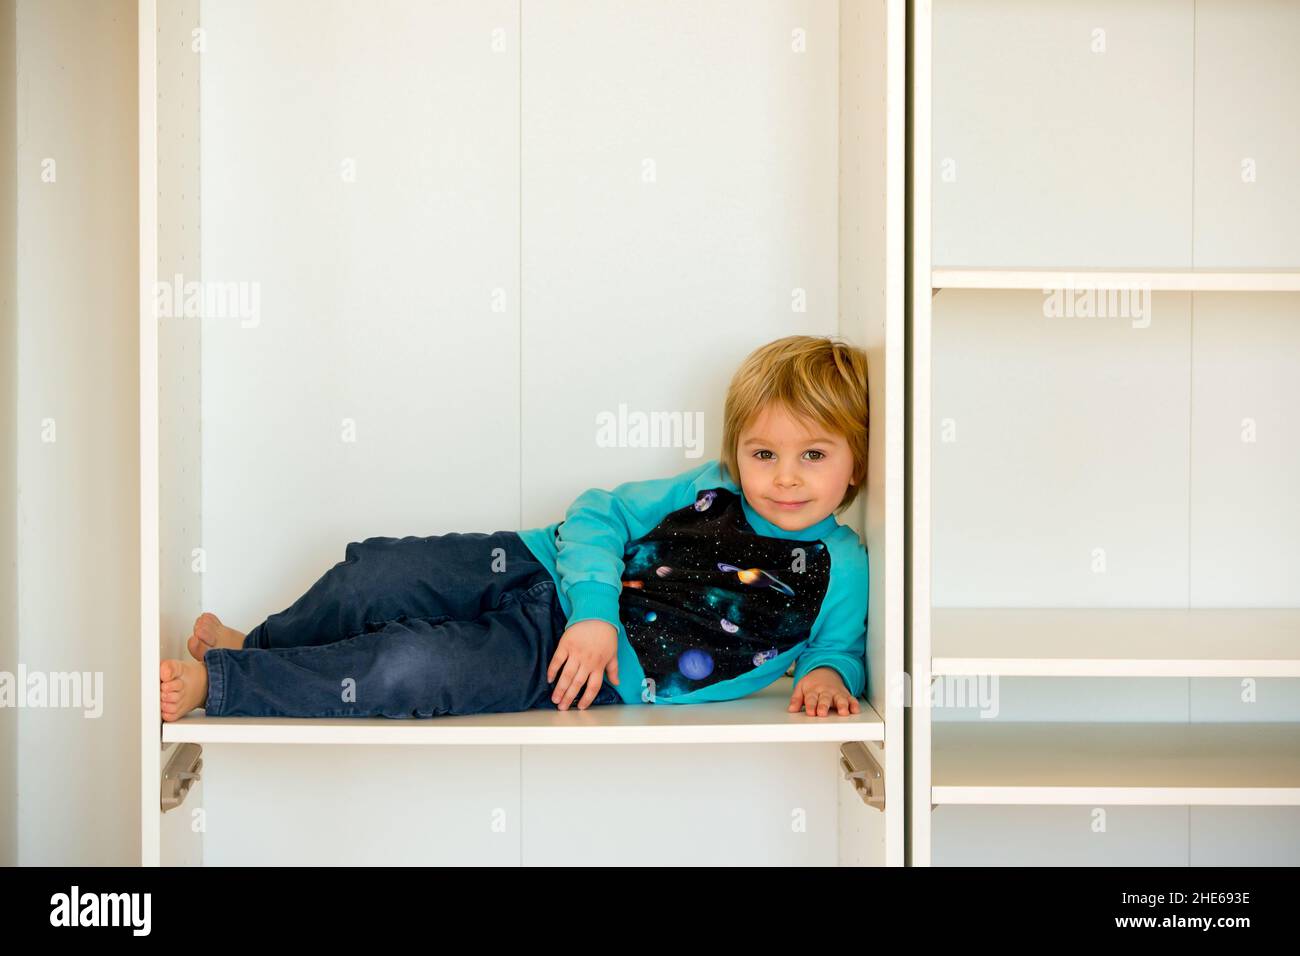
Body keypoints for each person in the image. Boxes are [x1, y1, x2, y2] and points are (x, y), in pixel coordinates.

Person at [159, 334, 869, 721]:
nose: (785, 477)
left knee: (407, 670)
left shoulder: (843, 565)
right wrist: (592, 609)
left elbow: (837, 645)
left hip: (567, 670)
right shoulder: (707, 489)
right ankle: (257, 643)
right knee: (371, 575)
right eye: (764, 453)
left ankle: (222, 683)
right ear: (736, 451)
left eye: (814, 455)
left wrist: (830, 677)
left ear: (856, 463)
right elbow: (598, 510)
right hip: (533, 566)